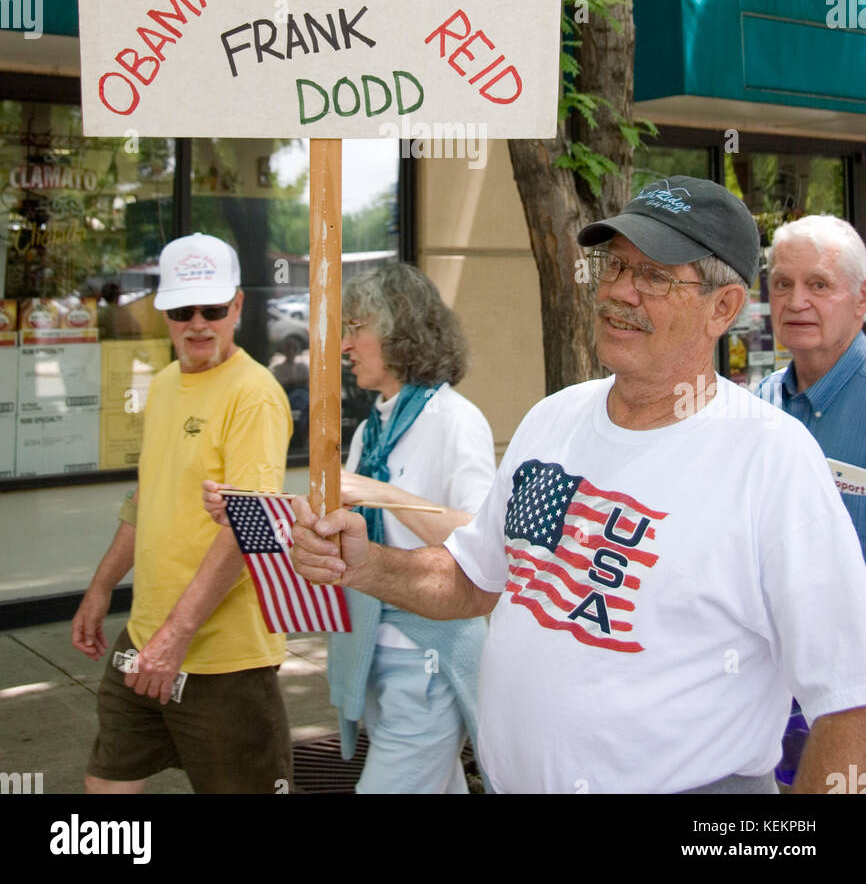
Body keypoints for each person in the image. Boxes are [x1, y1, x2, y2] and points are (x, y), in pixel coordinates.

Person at [291, 177, 866, 795]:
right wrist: (364, 562)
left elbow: (849, 699)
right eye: (614, 265)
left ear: (723, 308)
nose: (619, 291)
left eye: (654, 276)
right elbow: (470, 578)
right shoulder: (553, 420)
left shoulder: (771, 458)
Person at [206, 261, 496, 794]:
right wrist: (249, 508)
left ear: (398, 330)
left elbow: (483, 539)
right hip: (371, 649)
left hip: (425, 657)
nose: (343, 346)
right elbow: (344, 523)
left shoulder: (456, 419)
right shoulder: (373, 427)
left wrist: (381, 492)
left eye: (356, 329)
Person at [72, 233, 293, 795]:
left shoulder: (255, 395)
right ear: (164, 313)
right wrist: (100, 590)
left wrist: (175, 639)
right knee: (105, 788)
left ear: (237, 306)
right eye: (181, 310)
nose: (198, 323)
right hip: (144, 636)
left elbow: (251, 530)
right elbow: (147, 498)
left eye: (213, 309)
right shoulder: (166, 384)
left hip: (224, 657)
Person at [756, 214, 866, 789]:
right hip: (773, 695)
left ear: (862, 299)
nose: (796, 301)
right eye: (781, 284)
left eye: (819, 284)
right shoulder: (756, 408)